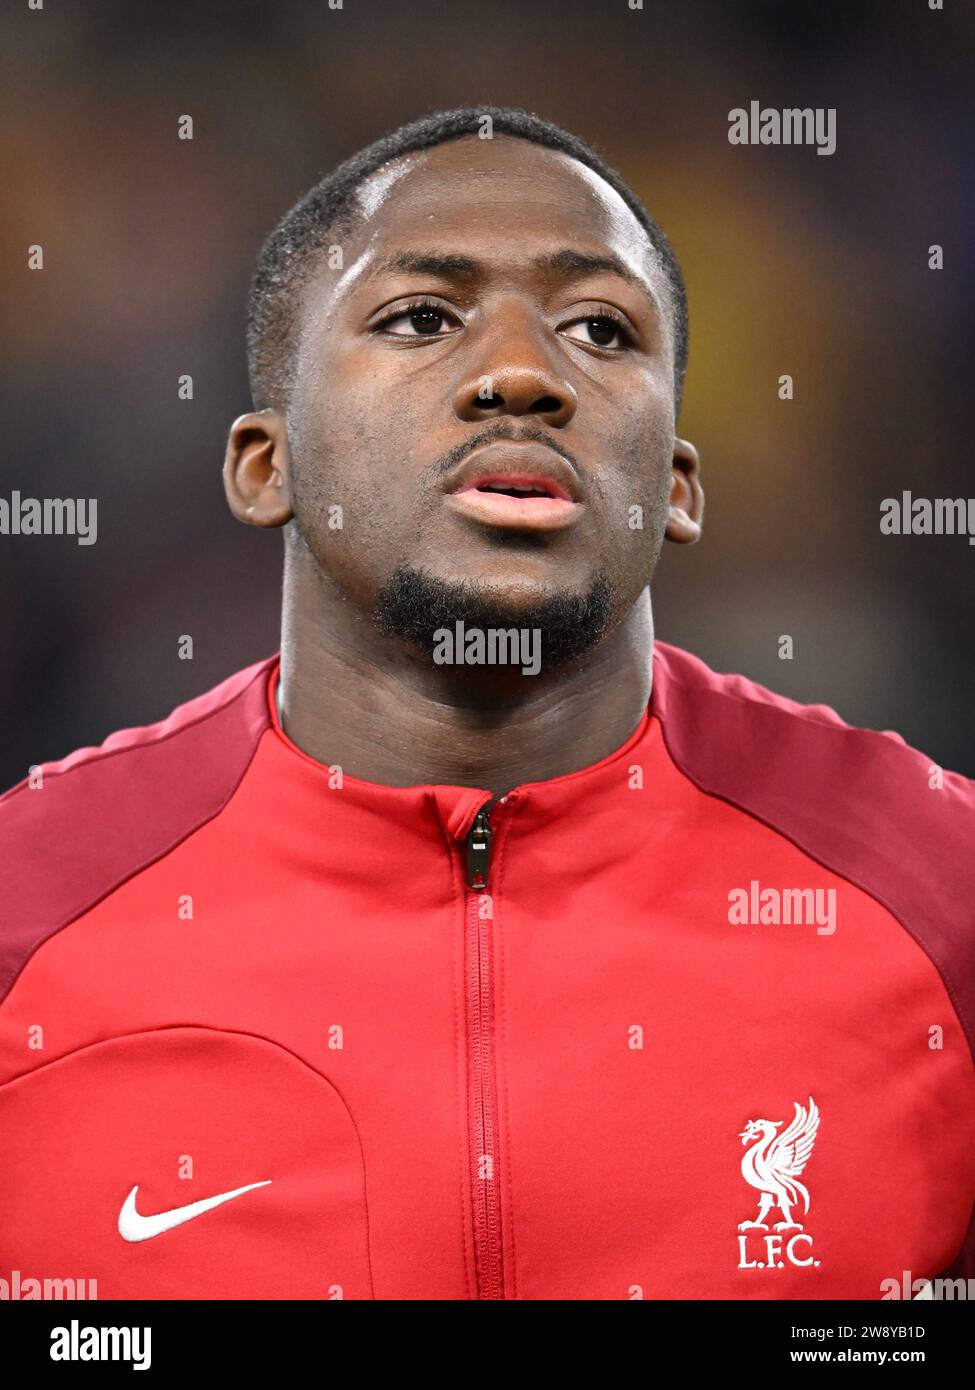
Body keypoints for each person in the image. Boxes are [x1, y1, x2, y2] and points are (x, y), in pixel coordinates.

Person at [1, 107, 972, 1302]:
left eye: (599, 330)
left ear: (676, 486)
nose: (523, 376)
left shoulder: (942, 893)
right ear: (269, 466)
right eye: (422, 317)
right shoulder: (27, 909)